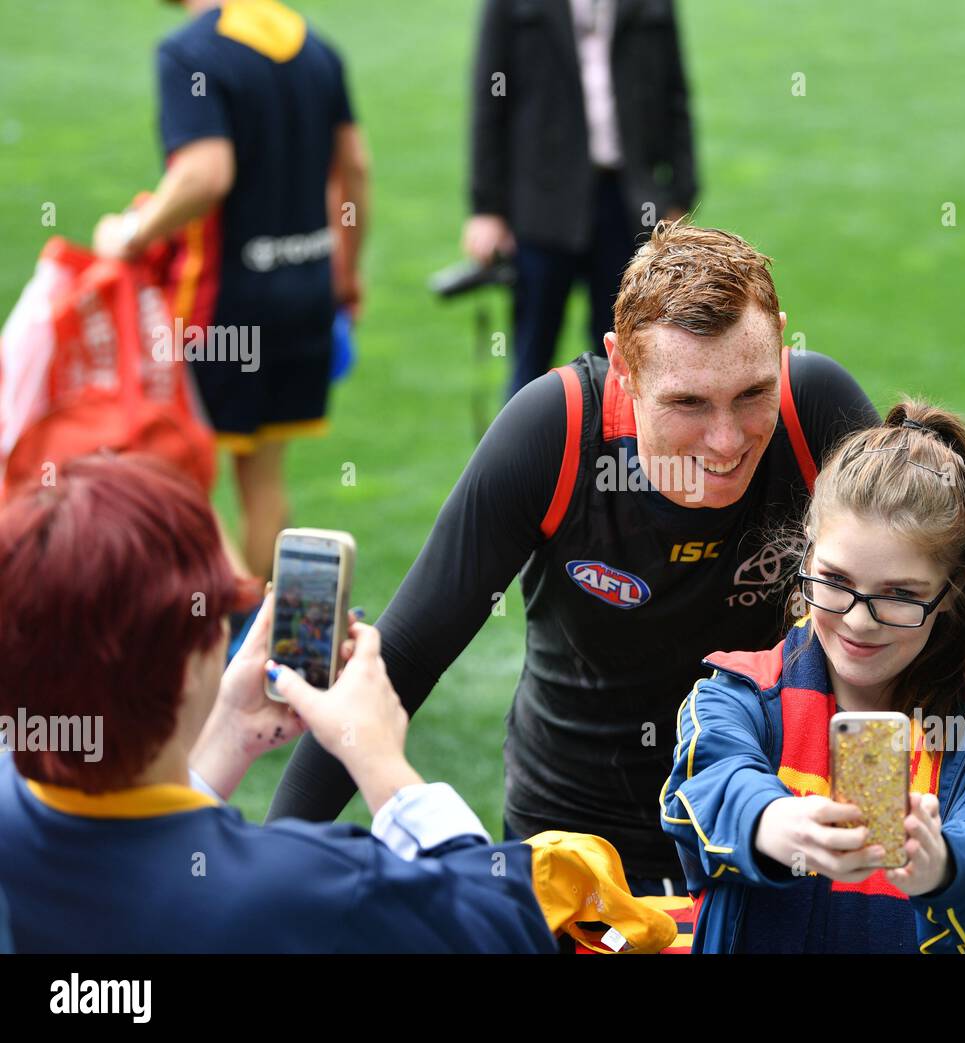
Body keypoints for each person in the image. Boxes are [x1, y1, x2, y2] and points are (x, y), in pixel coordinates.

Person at [268, 222, 883, 891]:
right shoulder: (555, 431)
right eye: (688, 402)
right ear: (623, 366)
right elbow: (408, 654)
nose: (727, 439)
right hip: (570, 839)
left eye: (752, 393)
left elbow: (932, 599)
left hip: (756, 821)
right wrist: (268, 865)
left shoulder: (815, 410)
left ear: (781, 347)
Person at [0, 453, 674, 954]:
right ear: (194, 661)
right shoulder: (309, 889)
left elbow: (136, 863)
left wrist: (228, 734)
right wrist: (380, 760)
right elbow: (497, 926)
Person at [661, 403, 965, 952]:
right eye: (835, 581)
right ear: (807, 547)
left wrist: (942, 865)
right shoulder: (736, 696)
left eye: (900, 596)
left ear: (950, 595)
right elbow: (708, 790)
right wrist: (774, 821)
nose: (857, 620)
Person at [93, 0, 369, 582]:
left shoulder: (190, 52)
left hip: (220, 310)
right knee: (264, 481)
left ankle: (215, 625)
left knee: (175, 476)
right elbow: (356, 169)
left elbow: (205, 173)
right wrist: (345, 272)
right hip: (306, 295)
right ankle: (256, 634)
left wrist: (130, 233)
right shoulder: (314, 48)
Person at [463, 0, 697, 401]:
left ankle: (624, 464)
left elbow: (675, 94)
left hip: (627, 202)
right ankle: (525, 463)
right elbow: (490, 97)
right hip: (541, 202)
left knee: (626, 363)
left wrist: (679, 197)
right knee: (530, 367)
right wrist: (487, 208)